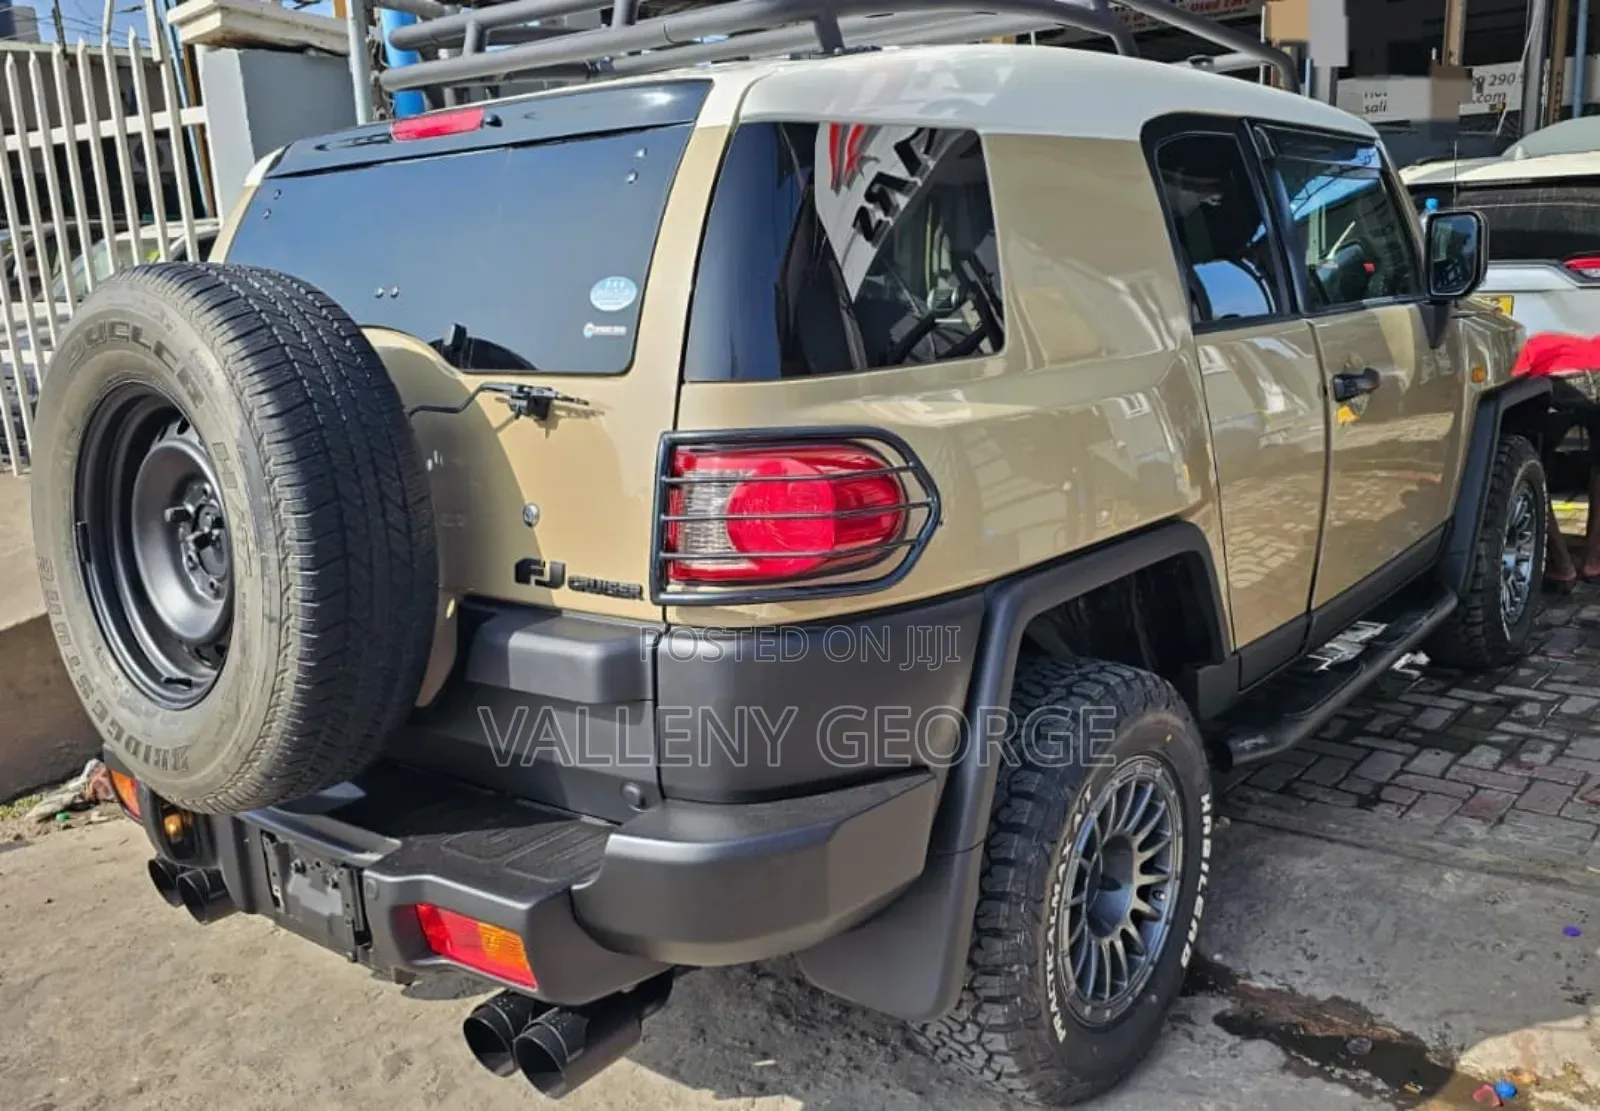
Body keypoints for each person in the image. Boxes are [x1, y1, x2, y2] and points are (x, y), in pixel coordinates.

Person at [1513, 333, 1600, 590]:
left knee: (1528, 468)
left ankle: (1561, 564)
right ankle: (1593, 561)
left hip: (1552, 383)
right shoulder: (1585, 343)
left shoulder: (1526, 345)